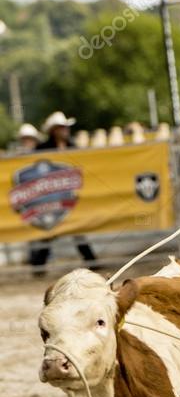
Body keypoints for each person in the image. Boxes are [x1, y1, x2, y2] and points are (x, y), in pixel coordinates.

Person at [29, 111, 100, 275]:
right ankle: (38, 265)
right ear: (54, 130)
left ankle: (91, 260)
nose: (66, 130)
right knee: (51, 230)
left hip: (69, 194)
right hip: (51, 195)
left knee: (76, 228)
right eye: (62, 127)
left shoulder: (72, 146)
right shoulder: (42, 149)